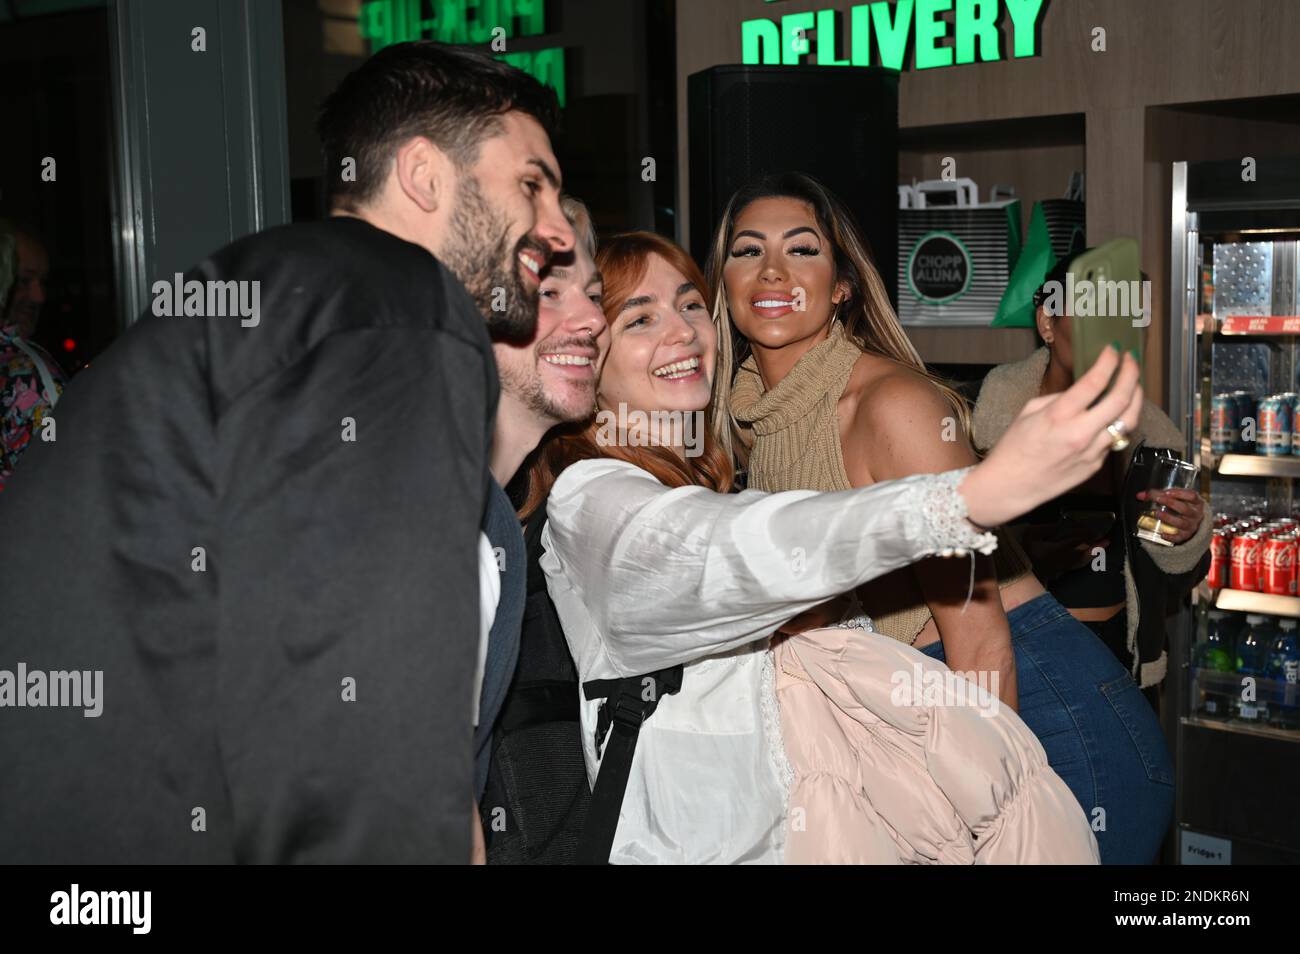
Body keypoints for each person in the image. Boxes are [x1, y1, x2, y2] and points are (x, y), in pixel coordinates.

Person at [0, 41, 573, 864]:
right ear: (424, 174)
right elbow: (359, 718)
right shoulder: (394, 299)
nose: (554, 230)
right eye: (531, 184)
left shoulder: (271, 298)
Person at [528, 229, 1140, 864]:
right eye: (640, 318)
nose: (681, 331)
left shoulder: (720, 482)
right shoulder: (591, 500)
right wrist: (967, 499)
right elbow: (729, 554)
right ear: (589, 366)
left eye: (688, 305)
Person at [717, 172, 1176, 864]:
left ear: (842, 284)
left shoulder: (889, 406)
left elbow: (981, 639)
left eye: (802, 249)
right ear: (722, 279)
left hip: (1044, 715)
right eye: (748, 251)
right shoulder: (754, 418)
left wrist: (986, 819)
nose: (773, 270)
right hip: (933, 710)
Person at [972, 253, 1212, 700]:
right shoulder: (975, 425)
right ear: (1049, 322)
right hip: (1013, 659)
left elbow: (1181, 578)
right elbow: (939, 549)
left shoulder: (1153, 437)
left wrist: (1185, 535)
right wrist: (1028, 552)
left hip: (1122, 667)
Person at [475, 196, 605, 865]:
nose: (592, 319)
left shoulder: (497, 514)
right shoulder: (417, 511)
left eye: (593, 293)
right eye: (549, 291)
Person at [0, 220, 67, 492]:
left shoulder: (31, 379)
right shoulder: (28, 378)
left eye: (42, 282)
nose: (39, 296)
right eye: (24, 281)